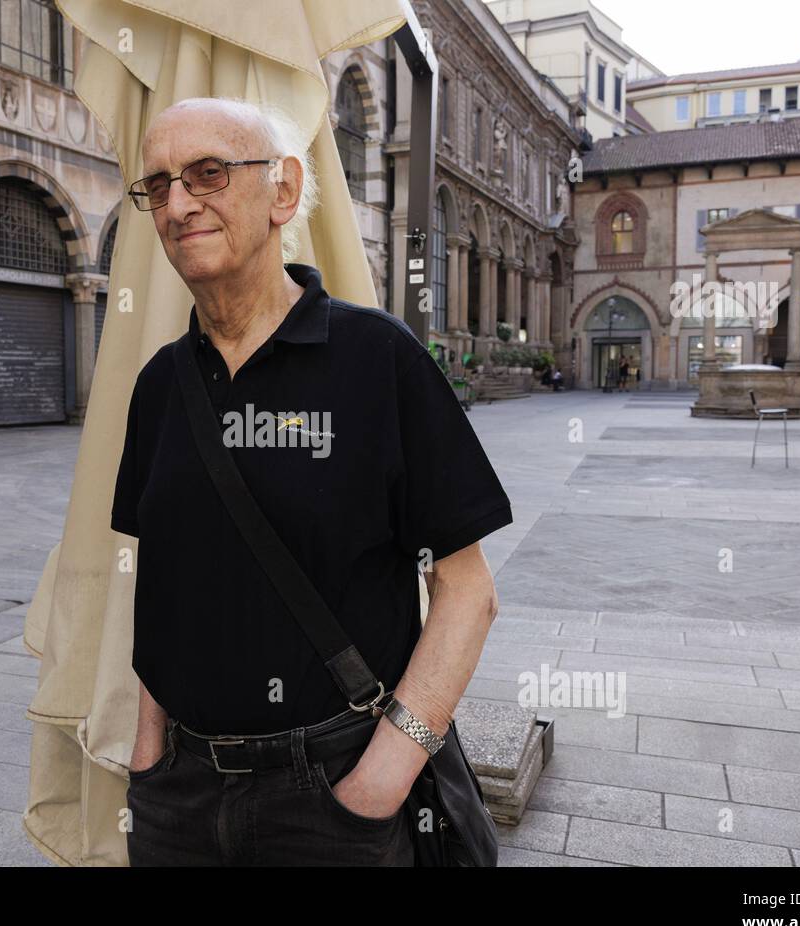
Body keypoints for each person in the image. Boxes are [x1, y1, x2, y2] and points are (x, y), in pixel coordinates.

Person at [112, 97, 513, 866]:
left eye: (208, 173)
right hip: (178, 803)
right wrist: (148, 753)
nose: (178, 203)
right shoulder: (160, 385)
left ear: (284, 192)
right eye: (158, 185)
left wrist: (381, 782)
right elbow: (160, 581)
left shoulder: (378, 360)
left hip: (336, 795)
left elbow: (470, 592)